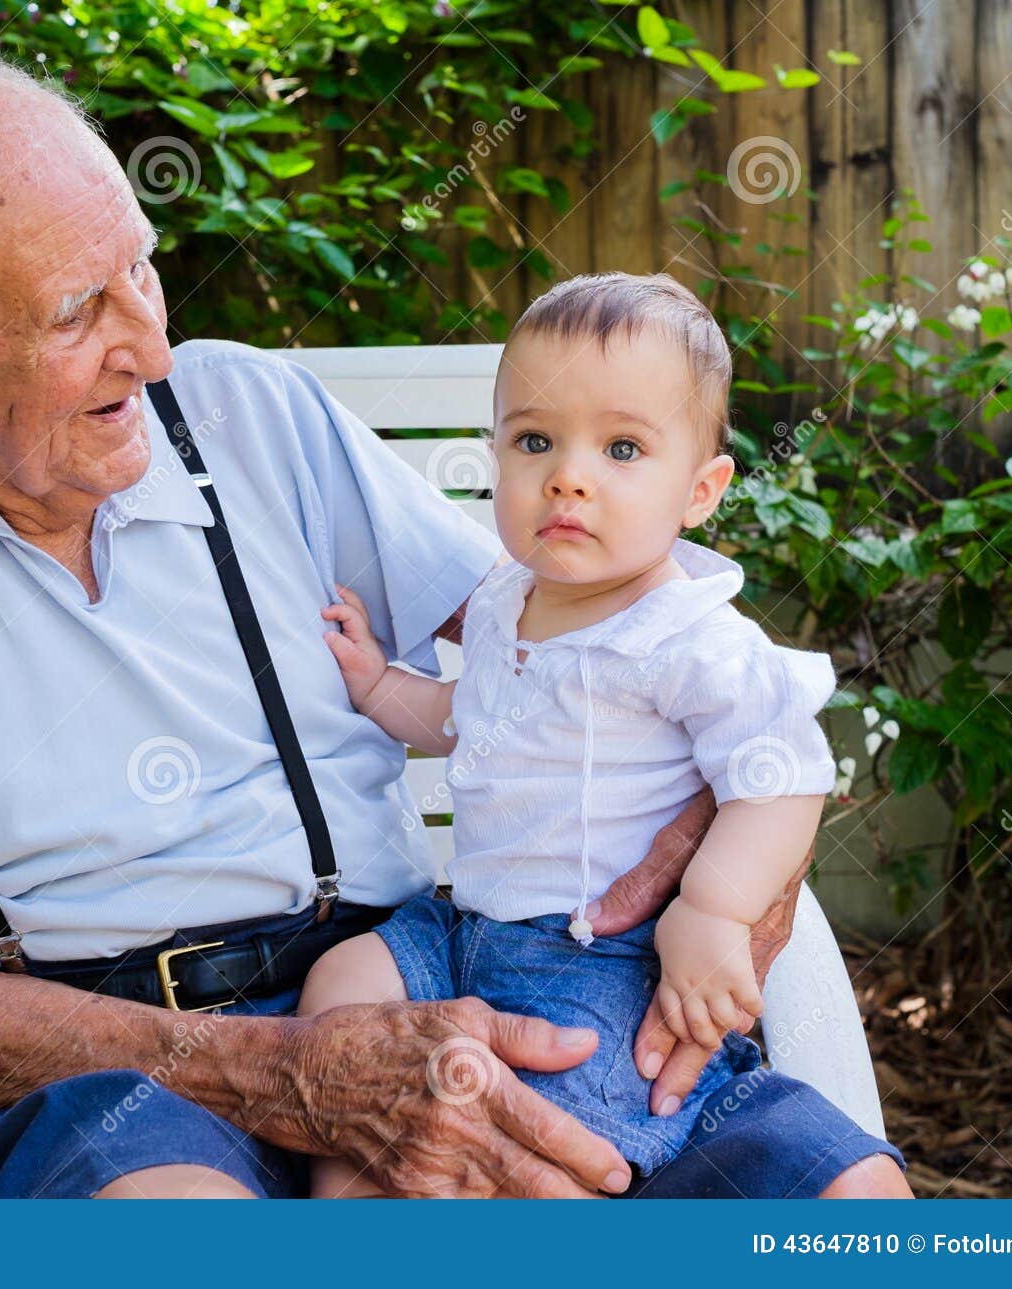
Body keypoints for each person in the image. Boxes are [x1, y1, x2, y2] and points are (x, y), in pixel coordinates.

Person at [0, 45, 868, 1199]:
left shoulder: (243, 405)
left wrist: (734, 823)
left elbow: (583, 635)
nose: (152, 342)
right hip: (89, 1078)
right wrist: (290, 1076)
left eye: (140, 264)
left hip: (430, 980)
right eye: (79, 309)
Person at [301, 273, 912, 1199]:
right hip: (463, 929)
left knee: (560, 1109)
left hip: (597, 957)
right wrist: (382, 684)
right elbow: (469, 720)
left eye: (622, 447)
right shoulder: (509, 603)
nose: (568, 474)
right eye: (535, 440)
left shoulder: (692, 637)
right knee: (341, 989)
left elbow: (783, 774)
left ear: (701, 491)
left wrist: (712, 908)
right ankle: (346, 1197)